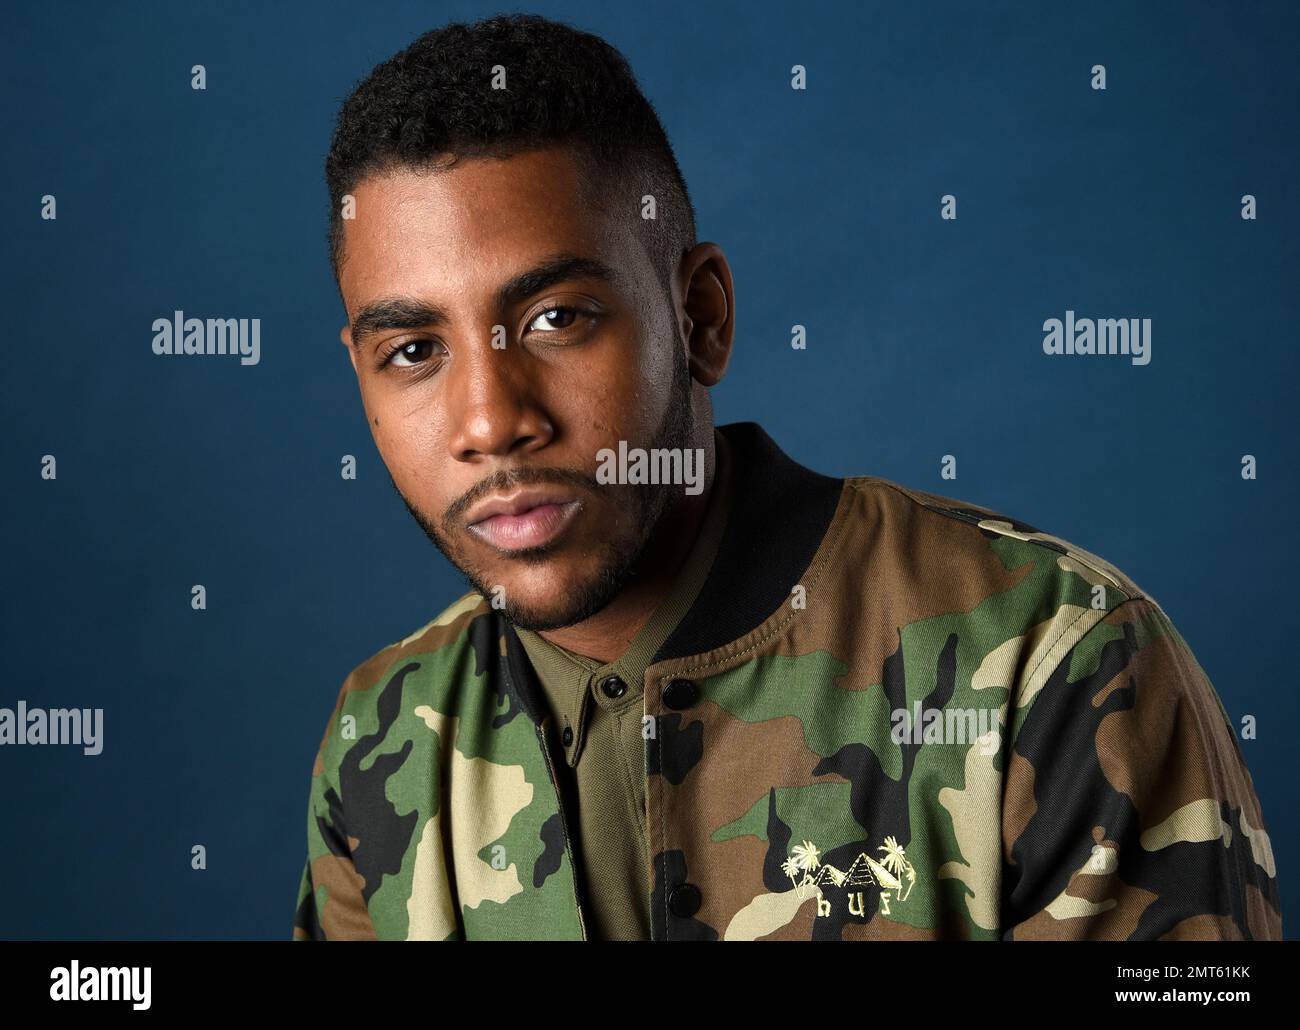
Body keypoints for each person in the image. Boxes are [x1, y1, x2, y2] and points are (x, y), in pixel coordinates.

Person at [293, 13, 1280, 940]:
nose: (489, 420)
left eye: (558, 318)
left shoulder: (1055, 663)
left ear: (701, 318)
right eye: (415, 349)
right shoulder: (386, 731)